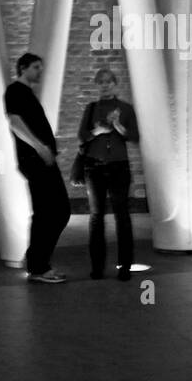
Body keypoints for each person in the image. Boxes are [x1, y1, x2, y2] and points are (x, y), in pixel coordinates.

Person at [5, 53, 71, 283]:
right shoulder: (15, 91)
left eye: (41, 67)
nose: (40, 71)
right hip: (36, 161)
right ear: (22, 68)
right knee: (58, 210)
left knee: (46, 212)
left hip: (40, 160)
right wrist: (40, 147)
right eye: (35, 67)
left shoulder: (26, 93)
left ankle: (36, 262)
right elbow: (15, 123)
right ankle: (38, 265)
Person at [77, 66, 139, 280]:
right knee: (96, 217)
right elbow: (82, 135)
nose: (104, 85)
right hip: (94, 167)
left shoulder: (126, 108)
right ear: (97, 85)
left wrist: (117, 125)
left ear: (115, 84)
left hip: (119, 166)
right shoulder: (92, 108)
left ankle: (125, 266)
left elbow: (134, 136)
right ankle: (97, 266)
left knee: (122, 215)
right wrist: (98, 130)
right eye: (101, 82)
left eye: (108, 81)